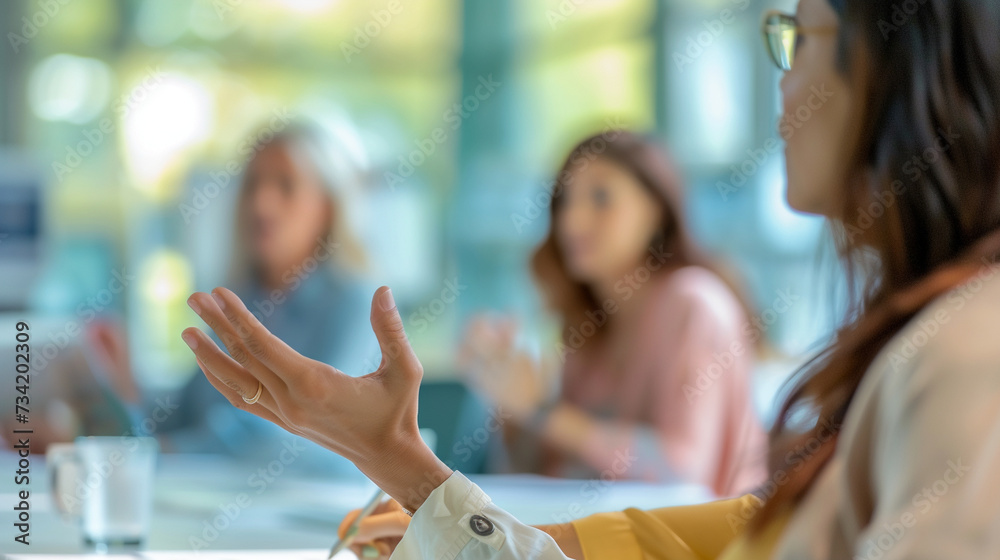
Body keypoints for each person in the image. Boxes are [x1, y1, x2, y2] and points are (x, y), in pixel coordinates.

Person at [181, 0, 1000, 557]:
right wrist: (440, 487)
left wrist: (469, 458)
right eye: (566, 198)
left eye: (801, 35)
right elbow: (716, 530)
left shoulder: (960, 355)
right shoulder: (589, 328)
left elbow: (673, 482)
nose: (782, 78)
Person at [458, 132, 766, 495]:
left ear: (656, 210)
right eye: (564, 202)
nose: (572, 221)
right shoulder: (588, 325)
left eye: (601, 198)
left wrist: (545, 412)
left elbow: (683, 472)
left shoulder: (694, 304)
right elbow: (550, 476)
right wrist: (510, 406)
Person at [104, 121, 379, 472]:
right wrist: (125, 390)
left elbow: (300, 429)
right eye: (252, 185)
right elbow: (182, 416)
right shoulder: (242, 300)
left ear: (326, 206)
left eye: (286, 185)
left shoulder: (354, 302)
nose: (261, 204)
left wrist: (157, 454)